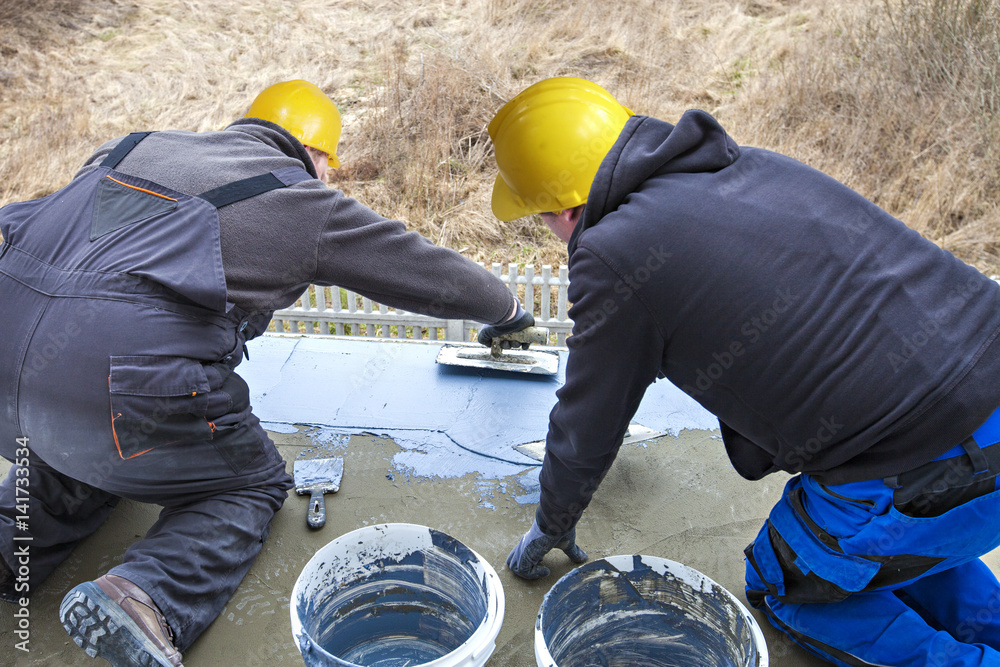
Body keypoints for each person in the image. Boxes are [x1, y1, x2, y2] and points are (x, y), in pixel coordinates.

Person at [0, 79, 532, 666]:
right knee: (244, 485)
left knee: (68, 453)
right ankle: (146, 595)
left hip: (9, 376)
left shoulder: (129, 147)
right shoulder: (297, 198)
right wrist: (507, 311)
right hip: (123, 389)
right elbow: (423, 268)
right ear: (317, 154)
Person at [485, 76, 1000, 666]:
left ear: (565, 206)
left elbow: (588, 419)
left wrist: (551, 523)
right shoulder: (749, 168)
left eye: (538, 216)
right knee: (897, 554)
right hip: (983, 402)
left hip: (925, 456)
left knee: (787, 584)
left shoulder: (613, 254)